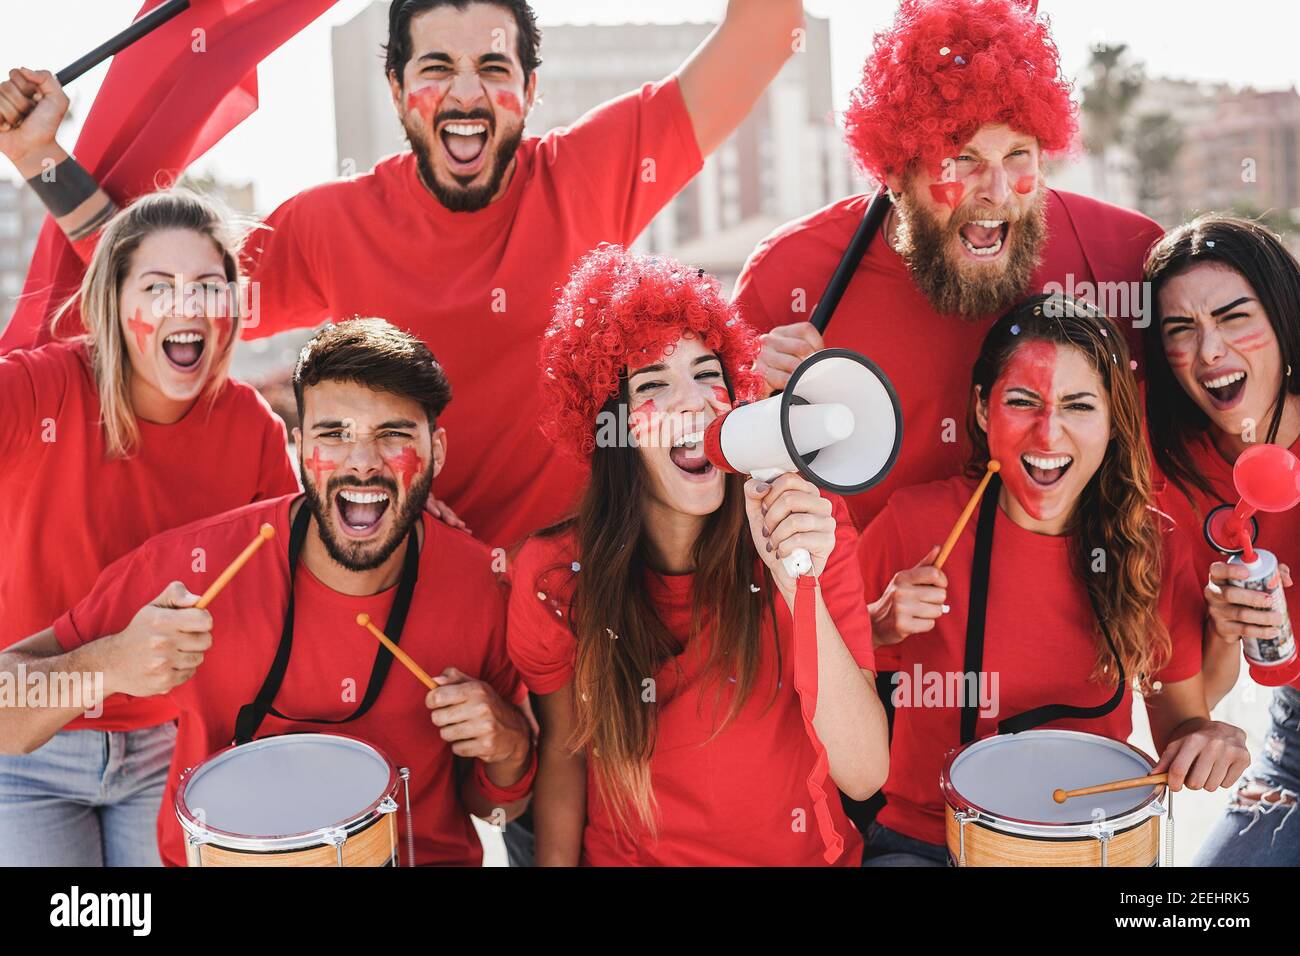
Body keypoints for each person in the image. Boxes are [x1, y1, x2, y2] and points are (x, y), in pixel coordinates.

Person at [0, 0, 807, 551]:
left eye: (495, 67)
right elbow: (163, 288)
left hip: (576, 599)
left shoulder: (587, 173)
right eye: (436, 66)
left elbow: (767, 33)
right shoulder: (328, 223)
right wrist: (43, 159)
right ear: (395, 89)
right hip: (408, 600)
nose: (466, 91)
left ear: (528, 91)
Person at [0, 319, 533, 866]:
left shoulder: (485, 585)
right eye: (335, 434)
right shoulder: (193, 569)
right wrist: (111, 662)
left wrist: (510, 746)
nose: (362, 461)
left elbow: (497, 811)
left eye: (394, 435)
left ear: (436, 451)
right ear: (300, 448)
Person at [507, 246, 889, 866]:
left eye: (708, 374)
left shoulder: (810, 522)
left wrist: (798, 584)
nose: (694, 401)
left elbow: (864, 772)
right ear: (616, 432)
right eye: (653, 384)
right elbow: (565, 754)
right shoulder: (553, 577)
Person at [733, 0, 1164, 534]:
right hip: (857, 609)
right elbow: (723, 488)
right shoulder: (789, 275)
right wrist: (764, 409)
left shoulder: (1122, 252)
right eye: (962, 159)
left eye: (1018, 155)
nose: (998, 192)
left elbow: (1188, 450)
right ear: (894, 170)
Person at [858, 293, 1250, 865]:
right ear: (981, 410)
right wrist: (875, 627)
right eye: (1022, 402)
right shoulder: (914, 524)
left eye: (1079, 405)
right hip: (926, 843)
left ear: (1115, 421)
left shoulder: (1153, 546)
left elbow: (1180, 727)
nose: (1048, 435)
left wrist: (1214, 738)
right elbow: (810, 684)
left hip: (1090, 849)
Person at [0, 189, 298, 866]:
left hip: (174, 747)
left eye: (207, 287)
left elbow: (293, 578)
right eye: (157, 287)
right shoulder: (37, 391)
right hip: (26, 743)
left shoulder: (251, 428)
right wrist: (111, 661)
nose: (185, 307)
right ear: (112, 301)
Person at [1142, 214, 1300, 865]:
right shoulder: (1166, 473)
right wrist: (1222, 628)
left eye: (1234, 317)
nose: (1208, 352)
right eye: (1182, 329)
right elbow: (1190, 711)